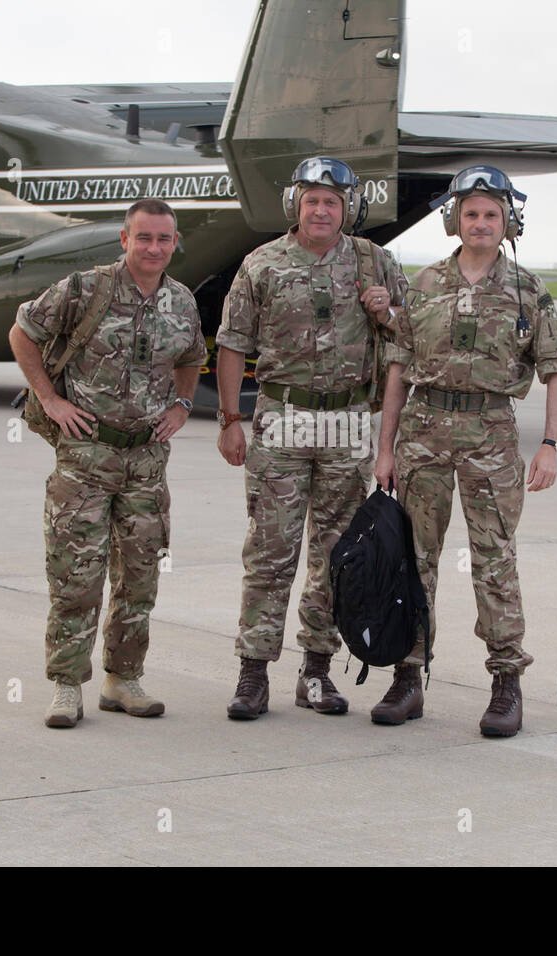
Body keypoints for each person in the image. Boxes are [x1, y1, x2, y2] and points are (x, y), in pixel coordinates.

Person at [373, 165, 557, 737]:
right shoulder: (425, 285)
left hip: (490, 434)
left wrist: (549, 445)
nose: (481, 223)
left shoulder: (527, 291)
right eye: (471, 214)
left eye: (491, 214)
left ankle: (506, 683)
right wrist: (385, 449)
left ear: (508, 220)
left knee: (495, 563)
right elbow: (398, 370)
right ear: (453, 221)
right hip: (423, 435)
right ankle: (408, 677)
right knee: (415, 560)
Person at [215, 156, 407, 720]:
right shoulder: (263, 264)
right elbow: (231, 344)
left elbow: (413, 333)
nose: (320, 209)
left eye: (332, 201)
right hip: (281, 419)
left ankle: (317, 671)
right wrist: (230, 420)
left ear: (349, 208)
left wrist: (388, 310)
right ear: (294, 205)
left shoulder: (375, 262)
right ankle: (253, 674)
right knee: (271, 551)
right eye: (311, 199)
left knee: (337, 556)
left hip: (348, 423)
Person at [8, 198, 206, 728]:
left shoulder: (182, 302)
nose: (154, 248)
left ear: (174, 242)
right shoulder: (84, 289)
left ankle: (124, 679)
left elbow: (192, 358)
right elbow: (22, 333)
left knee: (140, 575)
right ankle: (67, 685)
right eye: (144, 238)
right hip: (85, 457)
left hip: (145, 460)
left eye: (164, 239)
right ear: (125, 240)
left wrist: (182, 406)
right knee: (77, 575)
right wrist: (50, 399)